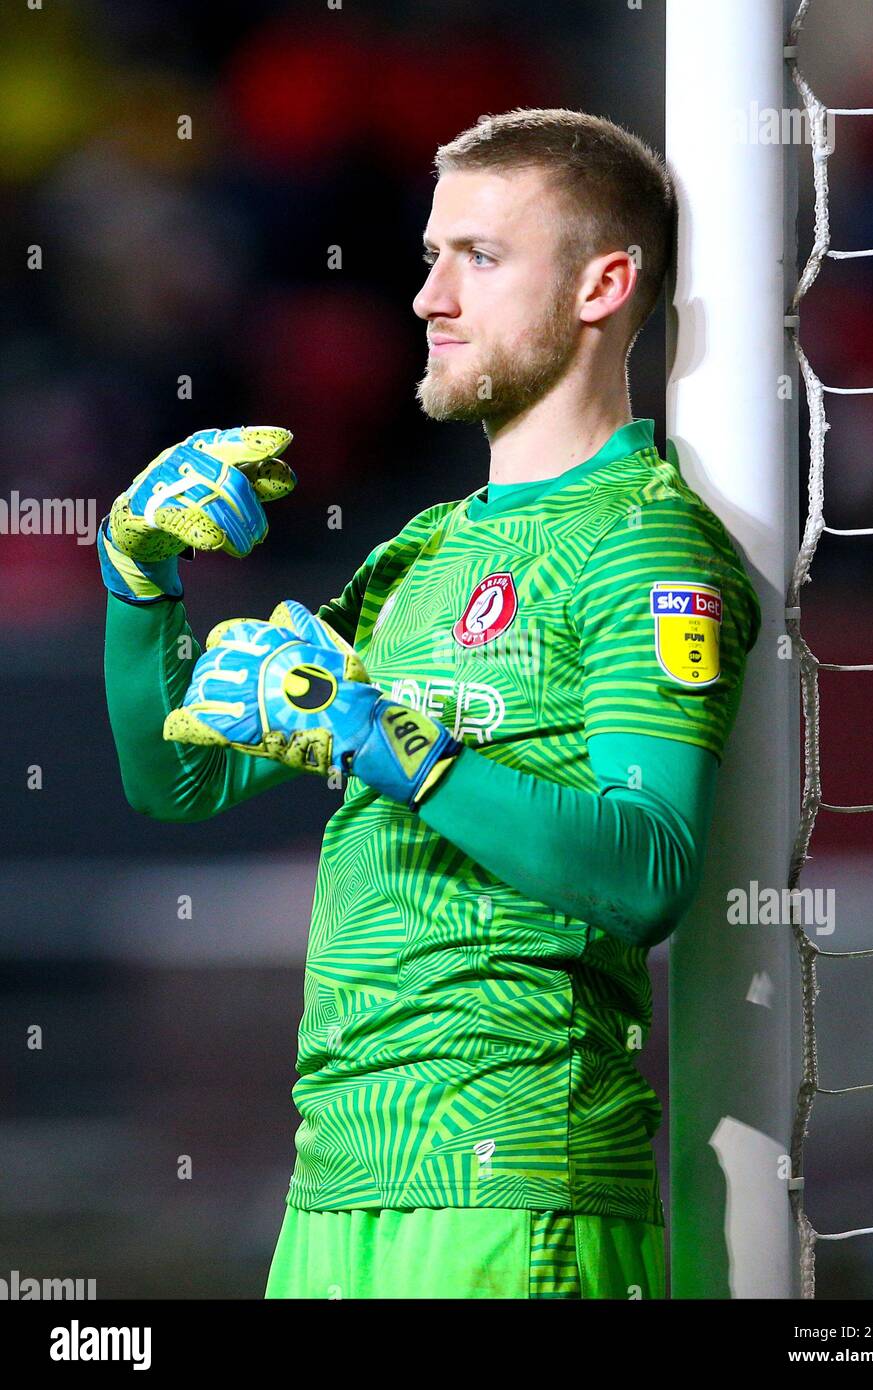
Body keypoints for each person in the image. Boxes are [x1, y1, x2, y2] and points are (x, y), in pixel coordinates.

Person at [98, 108, 761, 1300]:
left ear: (603, 283)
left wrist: (390, 742)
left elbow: (649, 866)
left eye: (480, 257)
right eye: (427, 256)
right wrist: (139, 579)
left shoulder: (647, 545)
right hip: (336, 1178)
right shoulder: (421, 551)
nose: (427, 298)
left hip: (514, 1184)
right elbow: (178, 778)